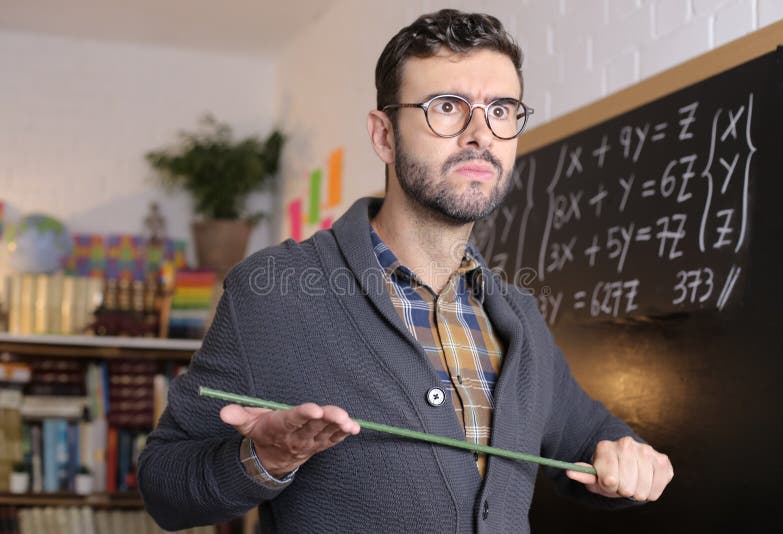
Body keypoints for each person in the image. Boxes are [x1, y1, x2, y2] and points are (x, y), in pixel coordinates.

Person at [138, 9, 673, 533]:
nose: (479, 134)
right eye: (446, 106)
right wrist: (265, 459)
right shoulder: (274, 293)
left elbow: (595, 444)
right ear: (384, 136)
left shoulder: (518, 317)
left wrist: (632, 462)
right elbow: (164, 485)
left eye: (502, 110)